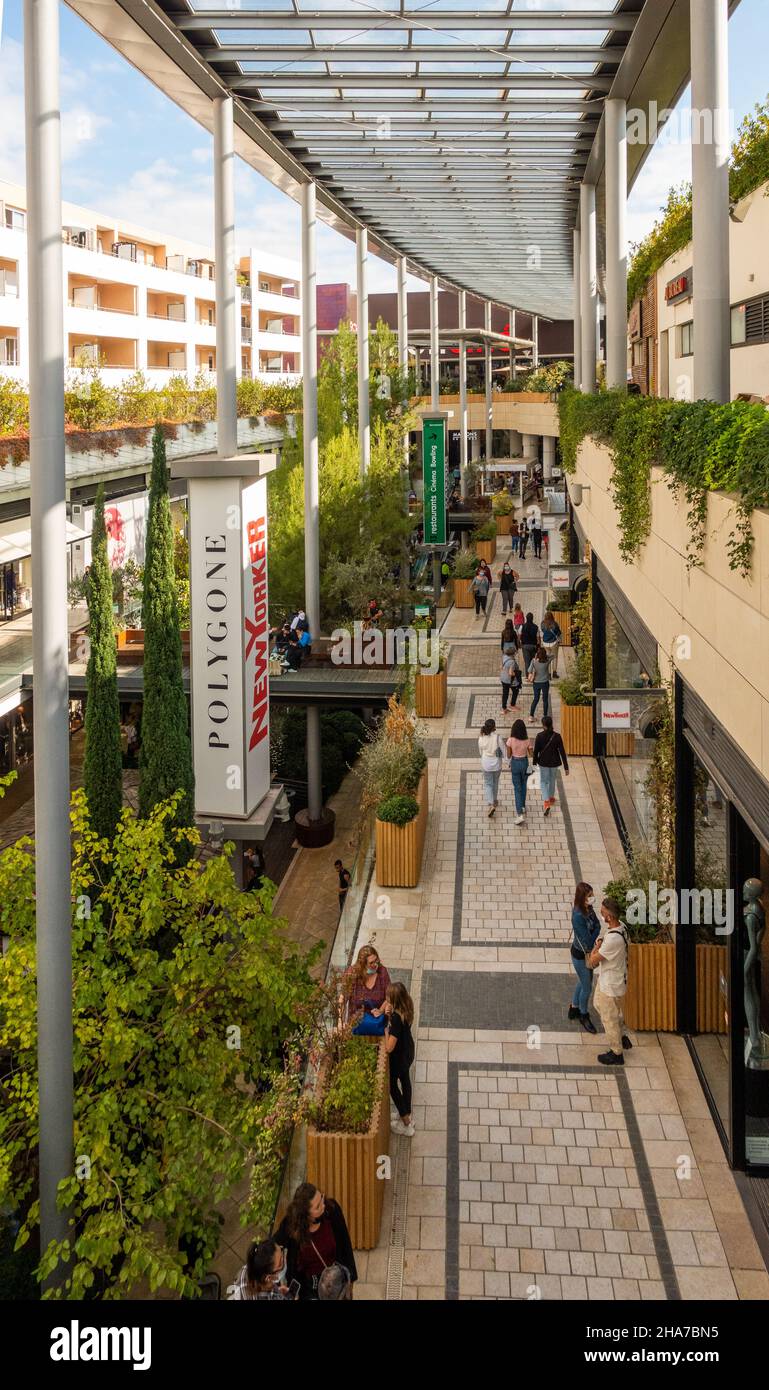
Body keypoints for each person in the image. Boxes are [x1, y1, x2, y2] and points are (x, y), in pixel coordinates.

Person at [273, 1185, 357, 1301]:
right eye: (317, 1207)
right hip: (310, 1286)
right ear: (305, 1215)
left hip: (335, 1279)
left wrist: (351, 1278)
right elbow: (272, 1247)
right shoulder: (291, 1225)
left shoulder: (331, 1210)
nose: (323, 1205)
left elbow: (345, 1244)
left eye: (321, 1198)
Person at [587, 897, 632, 1066]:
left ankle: (616, 1052)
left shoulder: (613, 940)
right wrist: (602, 941)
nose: (601, 915)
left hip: (610, 984)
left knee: (608, 1017)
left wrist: (596, 947)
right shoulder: (622, 928)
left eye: (603, 913)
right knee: (603, 1006)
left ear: (609, 917)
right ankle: (622, 1036)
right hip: (618, 979)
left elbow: (592, 961)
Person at [569, 882, 601, 1033]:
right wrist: (595, 934)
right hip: (580, 955)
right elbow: (588, 940)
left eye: (592, 895)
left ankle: (574, 1007)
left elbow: (598, 925)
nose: (592, 898)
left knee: (583, 982)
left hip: (586, 954)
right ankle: (583, 1014)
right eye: (590, 896)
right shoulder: (577, 916)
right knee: (587, 987)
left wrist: (594, 931)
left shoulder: (589, 909)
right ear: (582, 898)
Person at [384, 980, 416, 1136]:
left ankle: (406, 1123)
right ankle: (407, 1113)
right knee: (405, 1080)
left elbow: (389, 1047)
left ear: (395, 1000)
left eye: (389, 997)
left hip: (399, 1057)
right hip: (409, 1051)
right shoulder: (408, 1005)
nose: (386, 999)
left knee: (392, 1086)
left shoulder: (397, 1019)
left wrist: (385, 1029)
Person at [342, 943, 392, 1034]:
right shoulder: (351, 974)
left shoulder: (382, 972)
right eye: (371, 963)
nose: (375, 965)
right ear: (362, 964)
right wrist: (339, 1022)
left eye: (376, 961)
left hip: (378, 1023)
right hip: (357, 1025)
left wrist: (380, 1010)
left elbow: (389, 995)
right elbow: (343, 999)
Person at [532, 714, 569, 817]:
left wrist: (534, 763)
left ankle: (546, 801)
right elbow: (562, 752)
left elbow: (536, 752)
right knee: (552, 780)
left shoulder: (539, 736)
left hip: (543, 762)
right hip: (554, 763)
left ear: (543, 725)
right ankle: (551, 798)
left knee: (544, 781)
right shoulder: (557, 736)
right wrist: (566, 767)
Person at [478, 717, 508, 818]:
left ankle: (490, 803)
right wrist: (508, 762)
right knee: (495, 783)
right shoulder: (497, 737)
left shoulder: (481, 738)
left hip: (486, 764)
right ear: (494, 727)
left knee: (488, 784)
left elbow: (480, 751)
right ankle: (494, 801)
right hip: (496, 765)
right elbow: (504, 751)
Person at [506, 717, 533, 825]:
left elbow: (508, 755)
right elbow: (531, 754)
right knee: (523, 785)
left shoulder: (510, 740)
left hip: (515, 763)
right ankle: (522, 805)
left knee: (517, 788)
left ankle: (519, 814)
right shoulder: (527, 740)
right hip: (525, 763)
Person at [527, 644, 551, 719]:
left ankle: (531, 716)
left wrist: (535, 658)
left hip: (536, 683)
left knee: (536, 699)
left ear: (537, 654)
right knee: (545, 699)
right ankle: (545, 716)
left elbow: (529, 670)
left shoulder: (534, 661)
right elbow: (553, 655)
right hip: (545, 682)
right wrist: (546, 656)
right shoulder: (547, 661)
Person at [540, 610, 562, 678]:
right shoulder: (555, 624)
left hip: (545, 643)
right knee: (555, 657)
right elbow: (558, 632)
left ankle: (548, 674)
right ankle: (554, 673)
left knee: (547, 658)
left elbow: (543, 630)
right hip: (554, 642)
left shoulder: (543, 624)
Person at [500, 649, 522, 714]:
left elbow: (500, 667)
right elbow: (510, 673)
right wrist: (517, 673)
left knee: (505, 693)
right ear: (513, 654)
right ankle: (512, 705)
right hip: (510, 680)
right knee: (515, 691)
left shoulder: (504, 657)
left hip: (503, 678)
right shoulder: (512, 661)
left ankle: (504, 709)